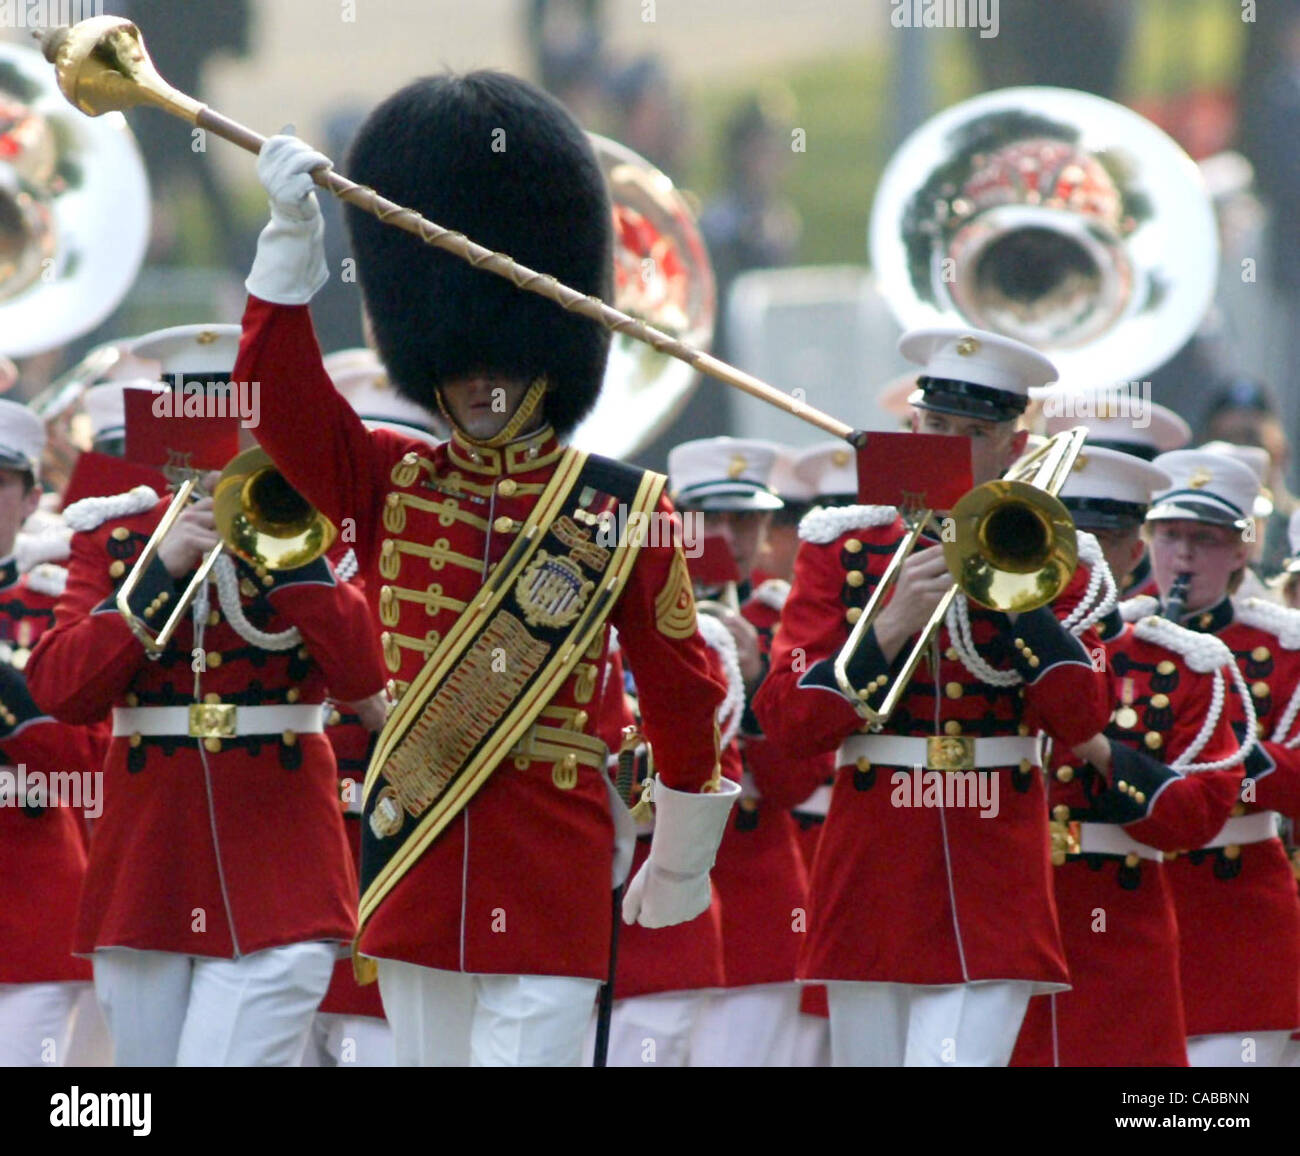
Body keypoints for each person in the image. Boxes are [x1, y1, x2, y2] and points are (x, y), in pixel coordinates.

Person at [233, 71, 739, 1066]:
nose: (479, 384)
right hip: (419, 840)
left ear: (552, 355)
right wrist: (285, 258)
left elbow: (684, 692)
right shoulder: (391, 477)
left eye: (500, 367)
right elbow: (284, 412)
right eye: (460, 368)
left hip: (549, 853)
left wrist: (681, 860)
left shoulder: (623, 510)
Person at [26, 324, 388, 1066]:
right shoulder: (117, 530)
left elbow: (362, 672)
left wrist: (285, 552)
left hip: (282, 858)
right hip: (149, 864)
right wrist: (159, 570)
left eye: (233, 408)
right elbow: (62, 687)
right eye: (197, 407)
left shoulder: (314, 521)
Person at [753, 327, 1112, 1067]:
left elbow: (1083, 716)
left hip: (997, 861)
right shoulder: (844, 544)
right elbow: (787, 721)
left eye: (975, 433)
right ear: (912, 427)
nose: (950, 447)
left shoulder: (1055, 553)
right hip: (874, 862)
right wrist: (886, 631)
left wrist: (1014, 594)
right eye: (938, 427)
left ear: (1013, 450)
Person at [1010, 446, 1246, 1066]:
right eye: (1068, 534)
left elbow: (1196, 815)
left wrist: (1094, 746)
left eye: (1105, 538)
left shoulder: (1178, 662)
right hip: (1005, 903)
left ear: (1133, 553)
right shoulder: (985, 646)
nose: (1082, 554)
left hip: (1116, 919)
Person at [666, 437, 827, 1067]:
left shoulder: (789, 628)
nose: (728, 537)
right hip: (660, 894)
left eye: (748, 520)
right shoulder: (633, 620)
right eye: (712, 519)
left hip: (758, 904)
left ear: (767, 533)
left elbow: (796, 780)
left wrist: (760, 678)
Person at [1141, 447, 1300, 1066]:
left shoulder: (1283, 647)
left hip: (1238, 913)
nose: (1182, 557)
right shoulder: (1117, 640)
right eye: (1170, 535)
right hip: (1134, 901)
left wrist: (1233, 755)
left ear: (1241, 550)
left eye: (1204, 540)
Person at [0, 398, 106, 1066]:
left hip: (28, 909)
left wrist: (13, 703)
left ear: (30, 496)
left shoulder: (60, 606)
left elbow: (94, 762)